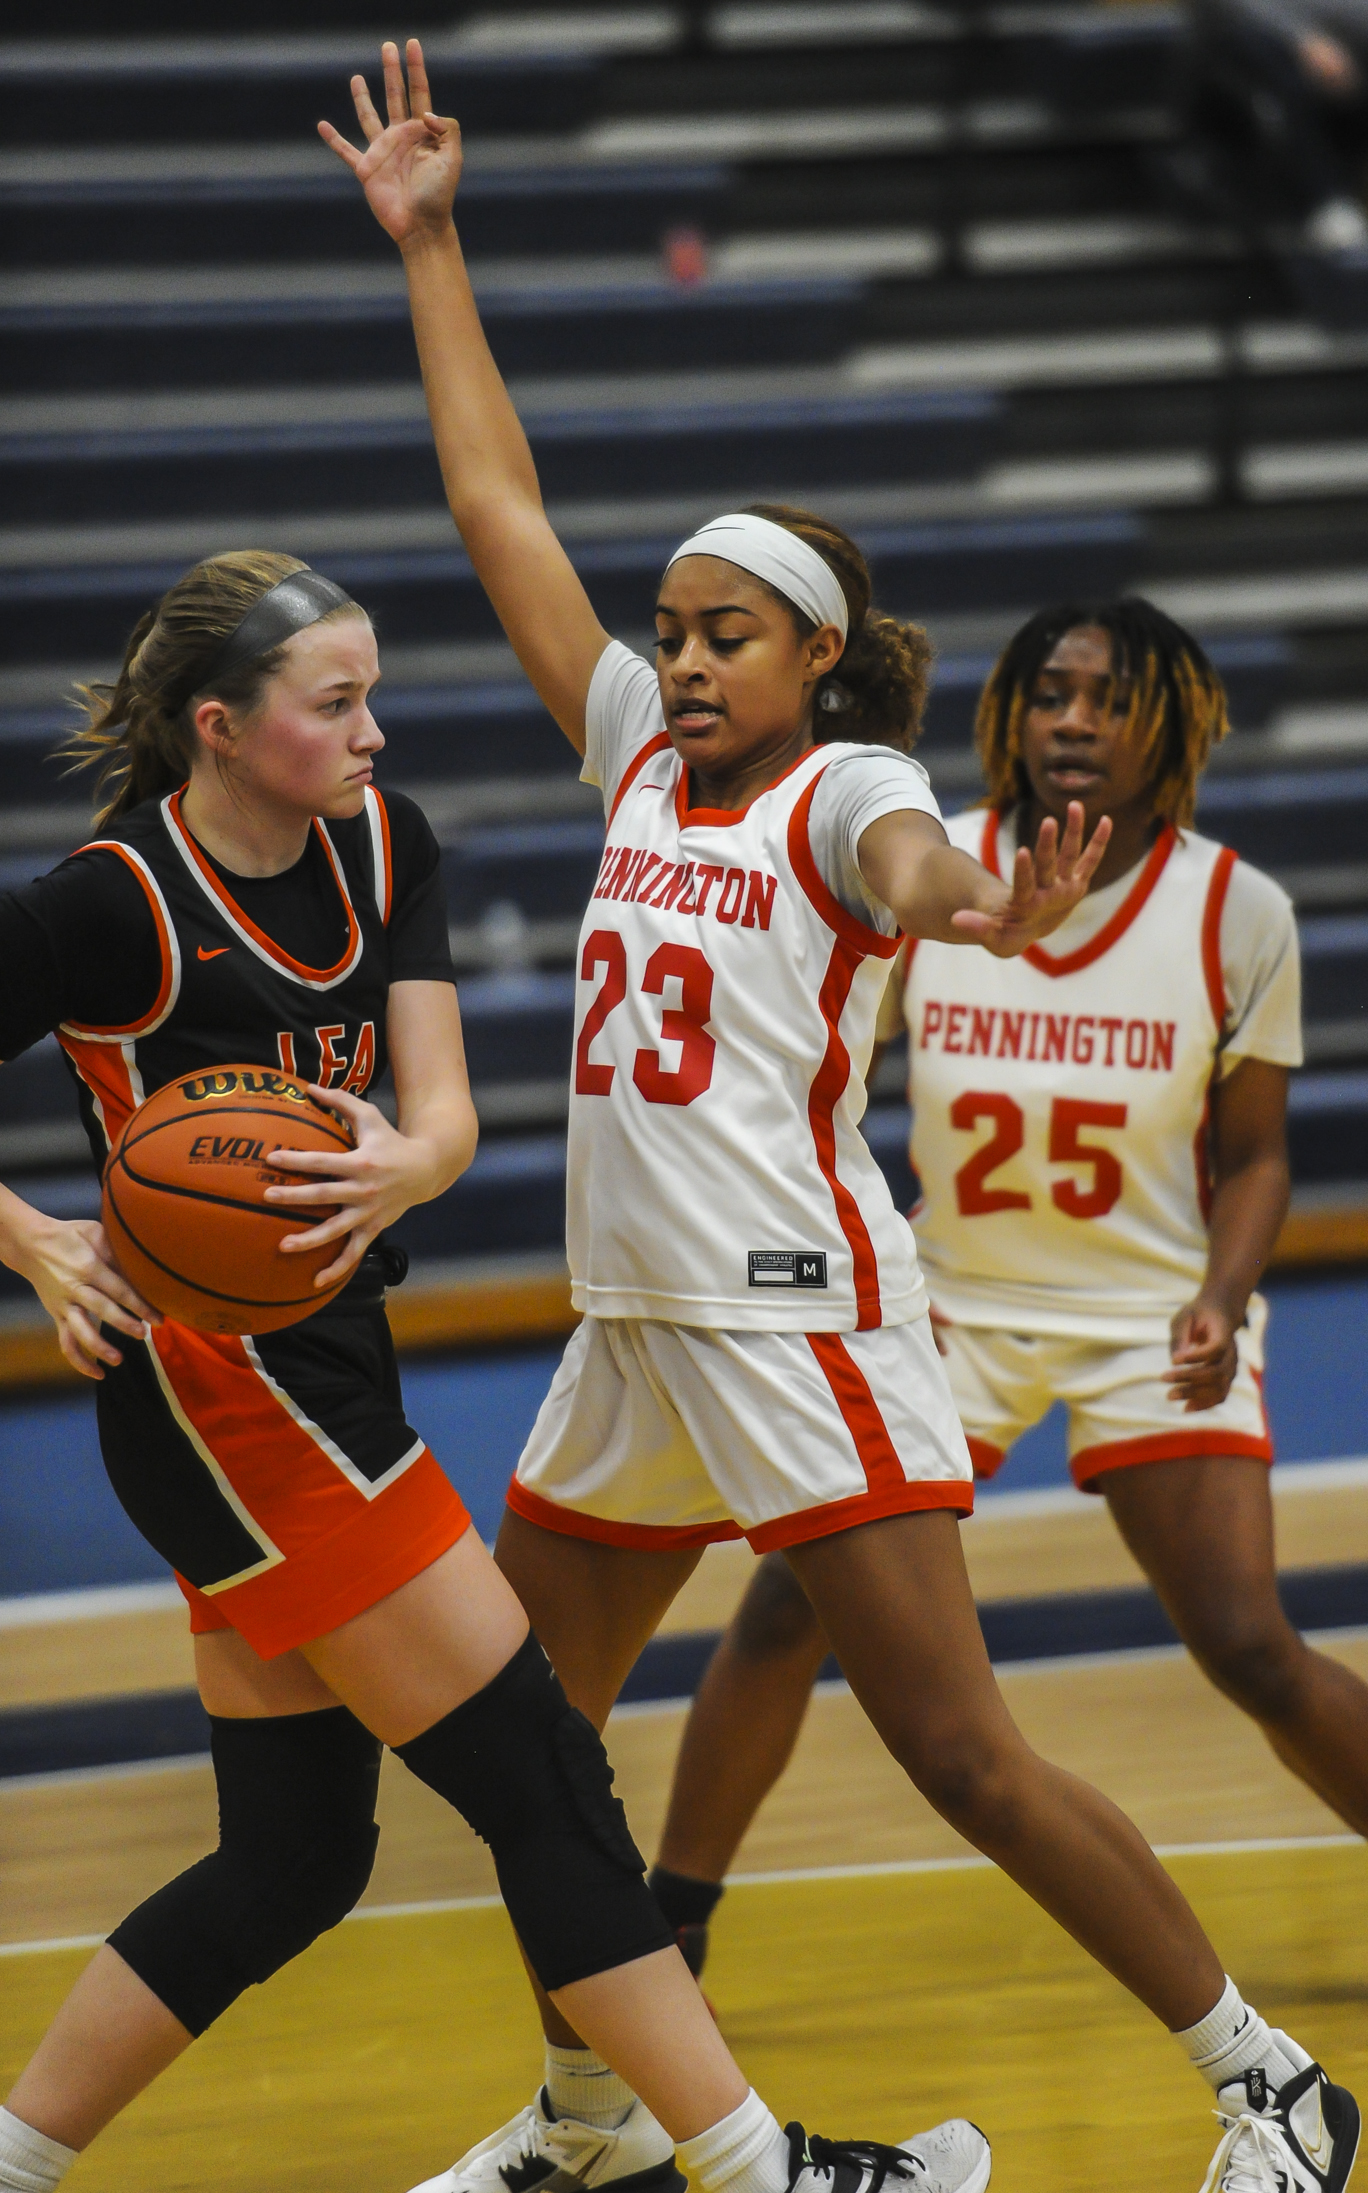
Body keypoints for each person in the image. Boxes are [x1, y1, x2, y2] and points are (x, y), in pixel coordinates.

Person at [321, 43, 1360, 2193]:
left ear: (816, 658)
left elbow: (920, 880)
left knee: (965, 1752)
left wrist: (992, 893)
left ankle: (1272, 2079)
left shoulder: (853, 785)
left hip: (798, 1317)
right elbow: (497, 510)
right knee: (534, 1758)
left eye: (726, 638)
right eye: (674, 634)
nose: (682, 663)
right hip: (634, 1325)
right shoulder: (634, 754)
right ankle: (597, 2112)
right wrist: (434, 247)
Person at [0, 554, 985, 2193]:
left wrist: (411, 1165)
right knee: (540, 1769)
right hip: (222, 1395)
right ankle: (761, 2172)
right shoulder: (108, 903)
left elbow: (443, 1108)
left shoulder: (385, 841)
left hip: (333, 1371)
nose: (378, 729)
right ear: (222, 728)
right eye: (339, 705)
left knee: (297, 1856)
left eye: (375, 692)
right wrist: (31, 1238)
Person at [645, 598, 1368, 2021]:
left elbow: (1264, 1152)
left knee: (1242, 1637)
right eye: (1048, 694)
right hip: (952, 1303)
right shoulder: (929, 865)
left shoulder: (1239, 909)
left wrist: (1225, 1291)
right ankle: (672, 1919)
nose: (1072, 722)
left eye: (1105, 697)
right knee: (790, 1603)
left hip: (1155, 1311)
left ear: (1174, 720)